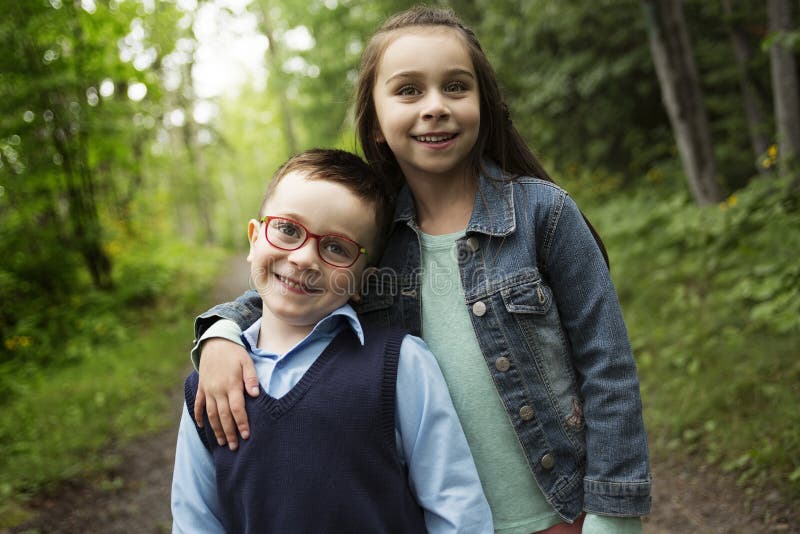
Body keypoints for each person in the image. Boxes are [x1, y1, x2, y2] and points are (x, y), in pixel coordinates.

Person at [191, 7, 652, 534]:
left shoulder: (541, 215)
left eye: (455, 87)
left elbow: (607, 363)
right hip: (427, 517)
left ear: (483, 105)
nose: (435, 107)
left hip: (559, 511)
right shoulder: (374, 238)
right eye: (408, 90)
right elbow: (293, 286)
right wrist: (222, 333)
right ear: (378, 123)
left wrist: (615, 514)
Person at [171, 148, 492, 533]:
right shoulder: (208, 385)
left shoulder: (400, 364)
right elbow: (196, 522)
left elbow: (456, 506)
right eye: (288, 229)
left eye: (336, 247)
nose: (305, 258)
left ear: (361, 281)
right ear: (255, 238)